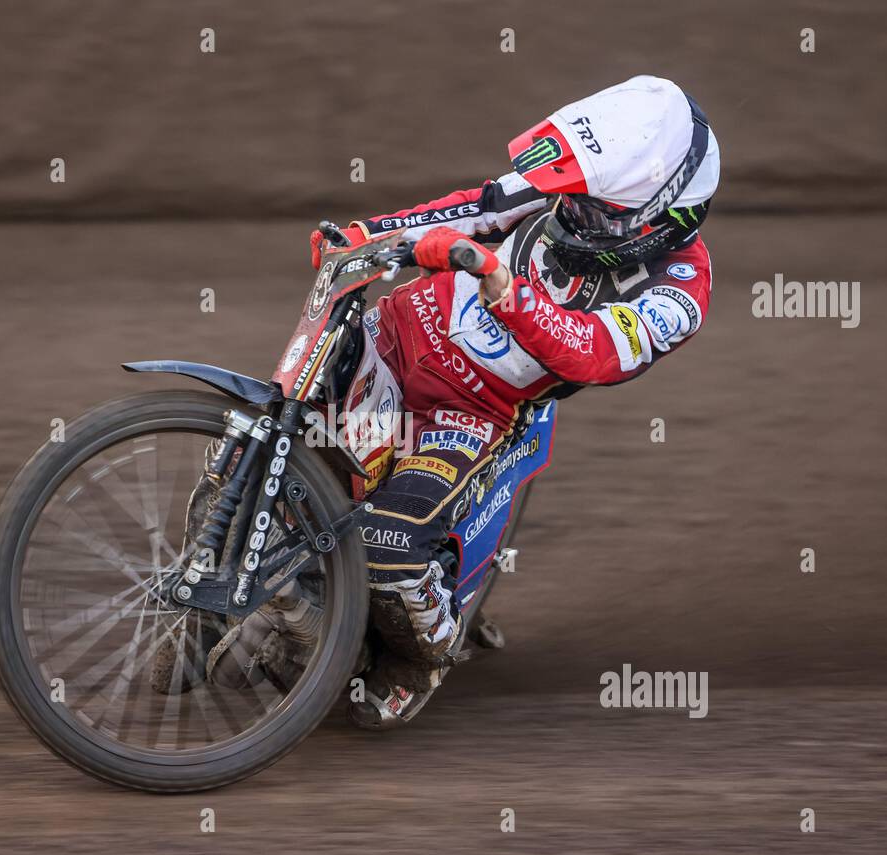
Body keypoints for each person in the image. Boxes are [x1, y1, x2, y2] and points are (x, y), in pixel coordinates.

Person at [304, 75, 721, 729]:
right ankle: (199, 605)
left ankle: (420, 659)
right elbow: (480, 206)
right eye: (572, 197)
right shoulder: (568, 190)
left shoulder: (682, 290)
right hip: (396, 335)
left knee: (388, 546)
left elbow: (593, 352)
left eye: (597, 211)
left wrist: (503, 285)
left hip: (472, 415)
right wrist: (366, 233)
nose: (571, 214)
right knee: (267, 435)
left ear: (663, 220)